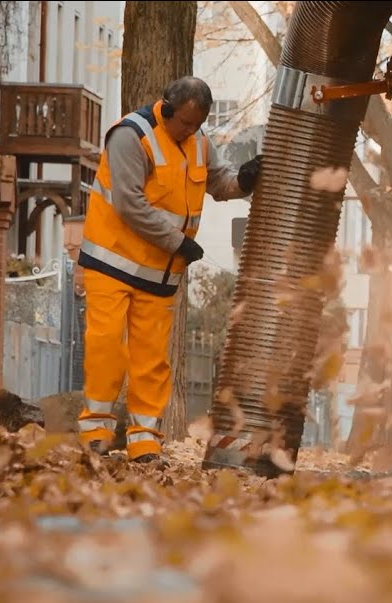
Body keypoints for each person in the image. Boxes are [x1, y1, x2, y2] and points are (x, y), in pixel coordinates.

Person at [76, 76, 263, 463]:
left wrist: (244, 180)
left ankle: (144, 440)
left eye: (198, 125)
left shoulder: (198, 142)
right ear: (167, 107)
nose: (190, 131)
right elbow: (130, 203)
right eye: (185, 123)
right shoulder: (131, 136)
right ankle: (96, 433)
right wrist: (178, 243)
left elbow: (218, 180)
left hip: (159, 275)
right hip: (112, 263)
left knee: (151, 360)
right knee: (107, 348)